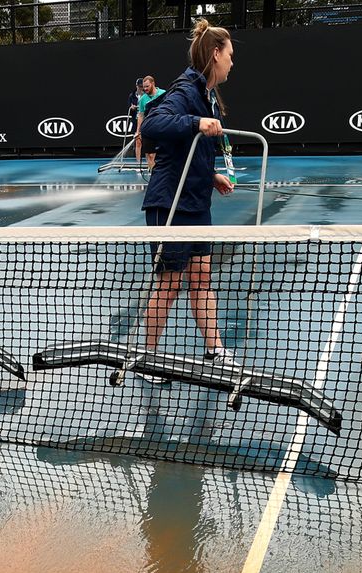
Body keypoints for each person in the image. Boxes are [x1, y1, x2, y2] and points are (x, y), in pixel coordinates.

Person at [138, 18, 238, 376]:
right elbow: (152, 125)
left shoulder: (208, 96)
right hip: (170, 202)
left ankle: (215, 349)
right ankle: (147, 357)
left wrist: (210, 176)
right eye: (230, 55)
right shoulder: (184, 90)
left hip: (196, 200)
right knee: (170, 282)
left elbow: (189, 152)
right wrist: (195, 123)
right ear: (215, 54)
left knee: (201, 276)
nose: (232, 62)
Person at [135, 75, 166, 170]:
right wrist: (138, 131)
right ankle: (153, 173)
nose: (145, 89)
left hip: (162, 127)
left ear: (153, 84)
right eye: (144, 87)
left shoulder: (163, 94)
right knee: (149, 154)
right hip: (148, 129)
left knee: (159, 154)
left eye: (147, 86)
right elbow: (140, 115)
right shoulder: (143, 99)